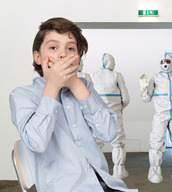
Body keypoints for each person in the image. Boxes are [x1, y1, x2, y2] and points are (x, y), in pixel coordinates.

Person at [9, 17, 137, 192]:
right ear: (38, 57)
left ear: (77, 59)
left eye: (70, 48)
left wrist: (76, 84)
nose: (63, 55)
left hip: (104, 184)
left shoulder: (85, 87)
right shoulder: (22, 95)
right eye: (53, 47)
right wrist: (52, 86)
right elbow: (36, 143)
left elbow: (109, 133)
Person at [139, 54, 172, 184]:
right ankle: (154, 172)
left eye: (168, 61)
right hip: (160, 115)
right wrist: (144, 87)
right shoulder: (155, 78)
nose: (165, 64)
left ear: (171, 63)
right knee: (156, 143)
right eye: (163, 61)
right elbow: (146, 98)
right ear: (160, 63)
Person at [91, 53, 130, 180]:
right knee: (118, 142)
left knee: (96, 142)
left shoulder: (94, 75)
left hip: (98, 113)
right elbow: (126, 98)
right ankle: (119, 171)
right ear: (110, 62)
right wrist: (121, 107)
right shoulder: (116, 75)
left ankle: (97, 171)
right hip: (115, 112)